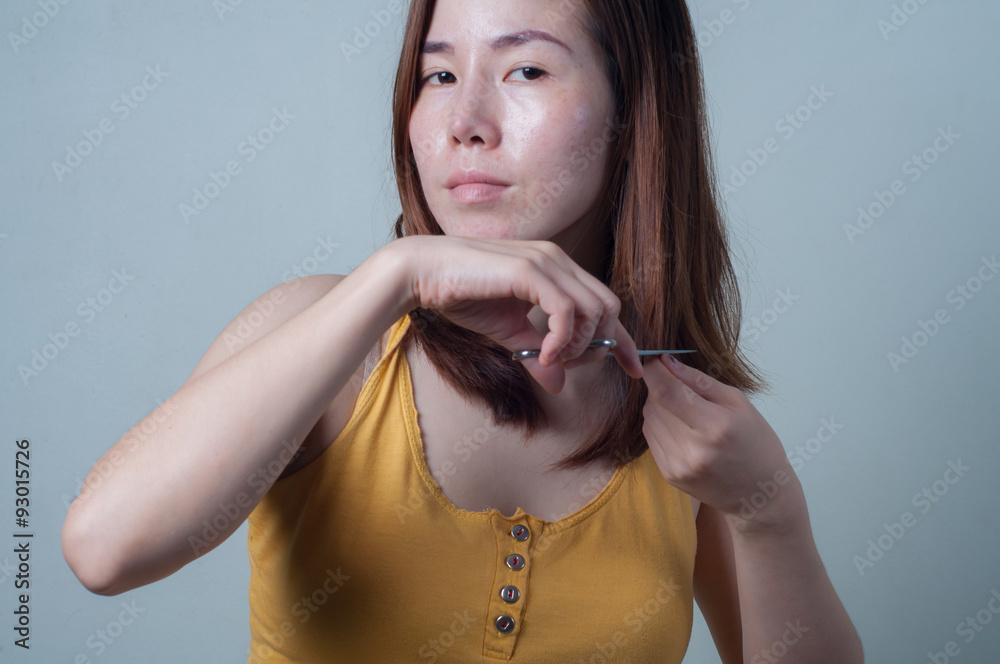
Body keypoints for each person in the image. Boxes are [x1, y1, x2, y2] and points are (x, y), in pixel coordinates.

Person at [62, 0, 865, 662]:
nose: (465, 121)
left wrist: (768, 512)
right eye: (438, 75)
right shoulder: (326, 335)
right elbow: (103, 551)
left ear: (634, 109)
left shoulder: (686, 425)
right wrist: (397, 275)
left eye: (526, 70)